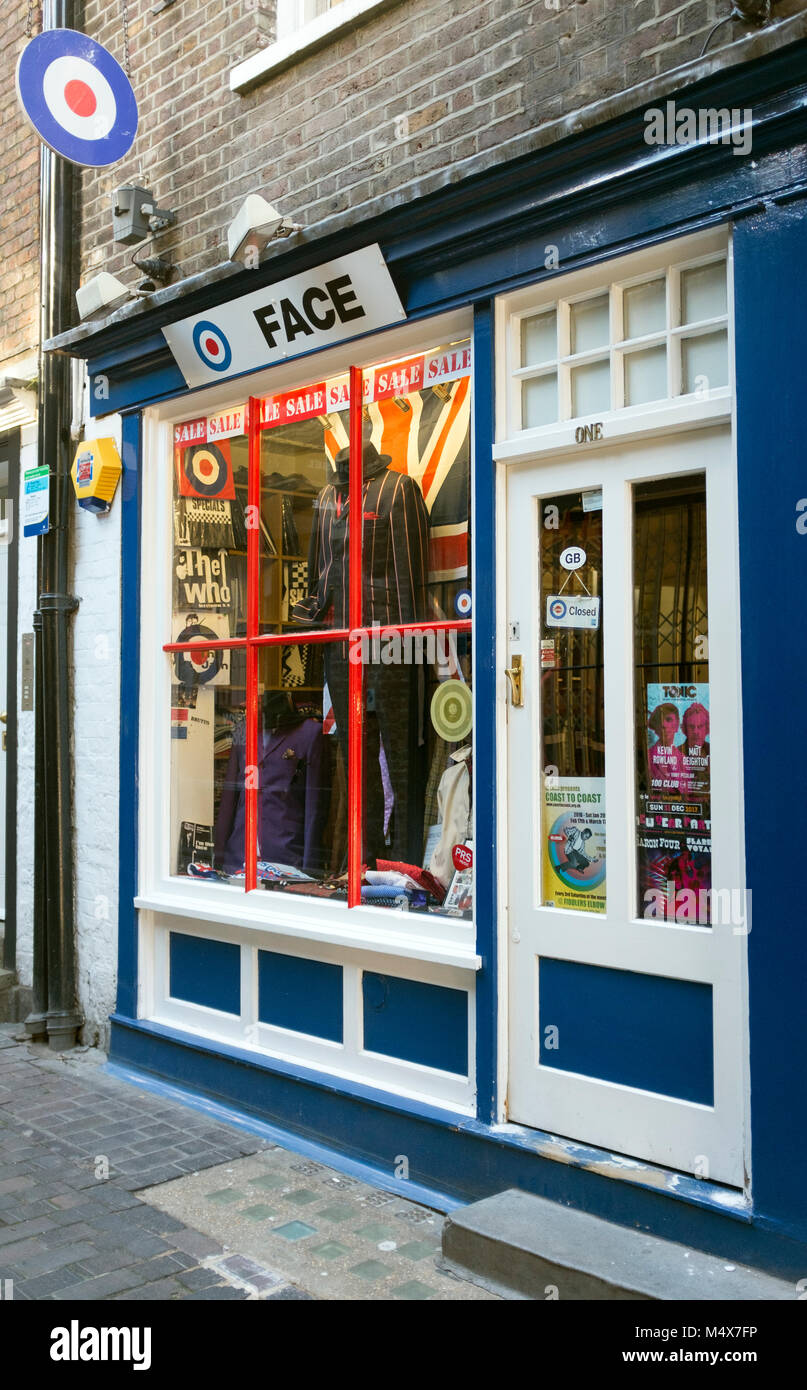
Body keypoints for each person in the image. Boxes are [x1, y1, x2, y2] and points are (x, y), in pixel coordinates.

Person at [647, 701, 687, 795]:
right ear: (656, 728)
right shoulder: (648, 755)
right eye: (660, 721)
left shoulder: (683, 757)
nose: (664, 725)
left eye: (668, 719)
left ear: (677, 726)